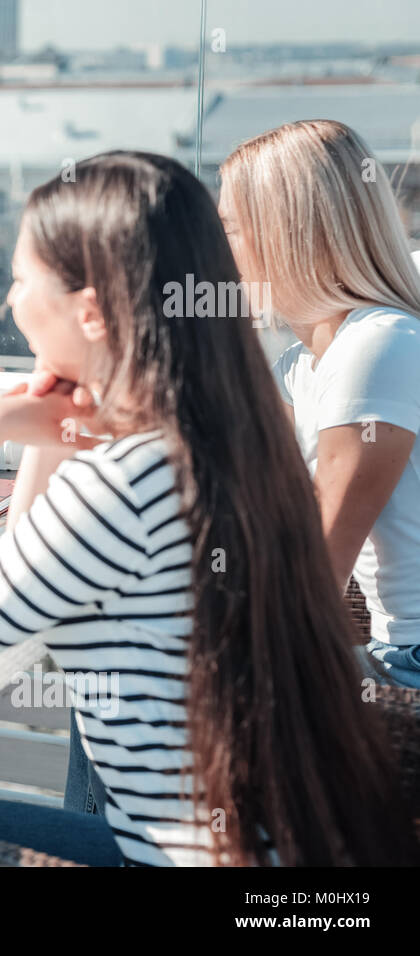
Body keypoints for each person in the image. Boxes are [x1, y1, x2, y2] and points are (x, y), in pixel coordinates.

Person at [0, 151, 416, 866]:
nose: (8, 303)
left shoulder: (123, 484)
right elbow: (33, 563)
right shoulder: (235, 440)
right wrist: (57, 431)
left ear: (88, 310)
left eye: (21, 280)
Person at [219, 119, 420, 689]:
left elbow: (314, 566)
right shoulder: (302, 368)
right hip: (390, 650)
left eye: (230, 229)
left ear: (285, 233)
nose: (219, 251)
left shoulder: (378, 348)